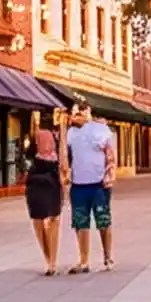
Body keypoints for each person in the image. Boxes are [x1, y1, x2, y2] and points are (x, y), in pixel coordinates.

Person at [65, 104, 116, 274]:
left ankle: (107, 256)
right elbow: (66, 155)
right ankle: (84, 259)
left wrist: (110, 174)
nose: (77, 115)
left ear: (89, 112)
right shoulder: (70, 132)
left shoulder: (100, 129)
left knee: (103, 220)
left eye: (81, 111)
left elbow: (110, 153)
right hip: (78, 183)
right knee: (80, 222)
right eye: (74, 112)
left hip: (98, 183)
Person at [24, 114, 64, 275]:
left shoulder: (56, 147)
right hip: (42, 188)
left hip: (44, 188)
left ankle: (50, 261)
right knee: (46, 223)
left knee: (44, 223)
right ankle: (50, 261)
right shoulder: (37, 147)